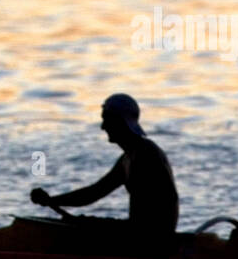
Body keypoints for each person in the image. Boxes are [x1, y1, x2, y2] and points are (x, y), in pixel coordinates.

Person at [30, 94, 179, 251]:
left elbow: (149, 222)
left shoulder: (145, 156)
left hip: (151, 242)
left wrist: (85, 226)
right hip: (145, 234)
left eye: (106, 120)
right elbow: (94, 193)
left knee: (76, 229)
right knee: (79, 224)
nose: (103, 127)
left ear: (120, 122)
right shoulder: (129, 157)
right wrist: (52, 201)